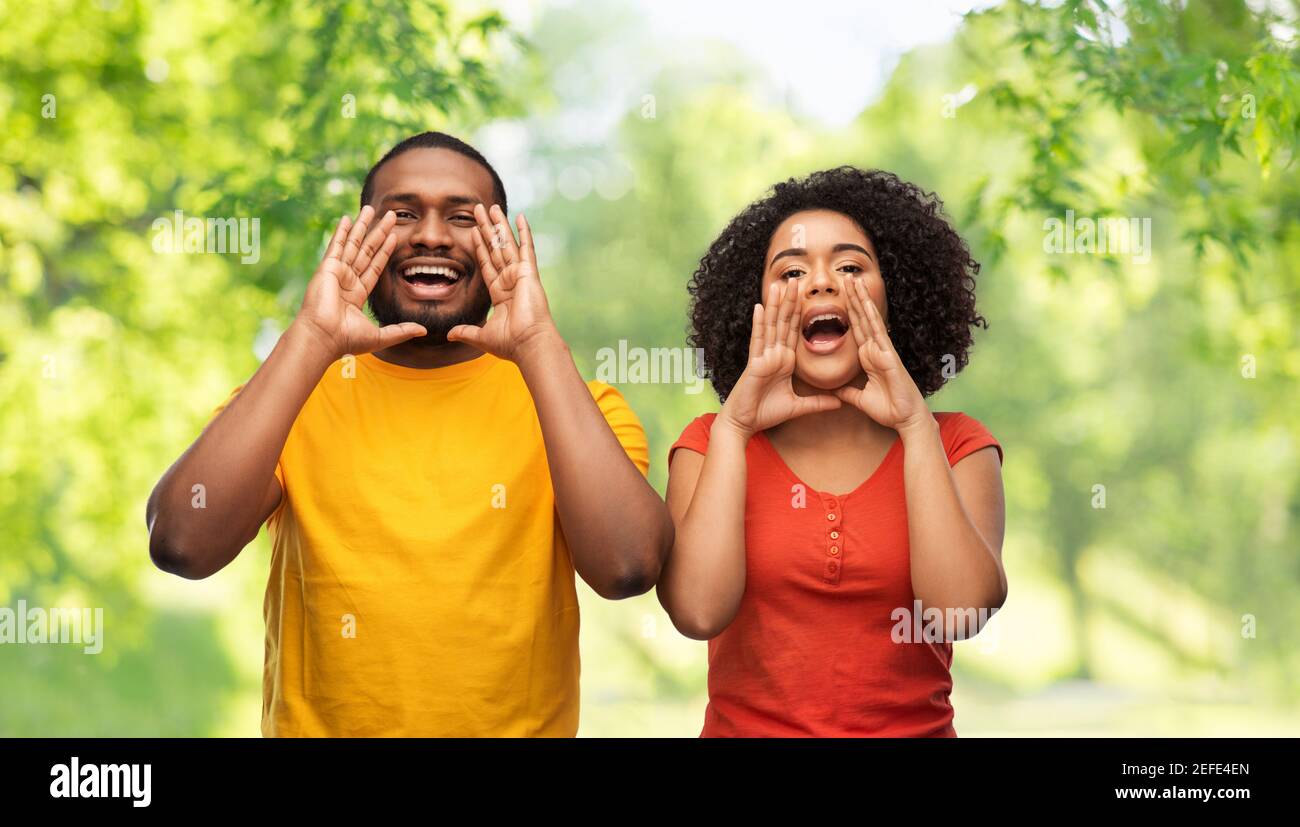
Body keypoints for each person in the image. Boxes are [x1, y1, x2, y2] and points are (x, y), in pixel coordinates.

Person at [145, 131, 673, 737]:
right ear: (361, 237)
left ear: (503, 243)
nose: (430, 234)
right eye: (401, 214)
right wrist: (312, 336)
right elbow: (181, 542)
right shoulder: (294, 397)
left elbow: (628, 567)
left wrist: (536, 343)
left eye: (462, 217)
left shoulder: (580, 407)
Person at [658, 167, 1006, 737]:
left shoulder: (958, 444)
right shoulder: (708, 443)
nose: (821, 284)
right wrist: (734, 428)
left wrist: (915, 426)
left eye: (850, 266)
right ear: (756, 307)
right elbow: (696, 613)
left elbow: (959, 613)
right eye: (791, 271)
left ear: (894, 294)